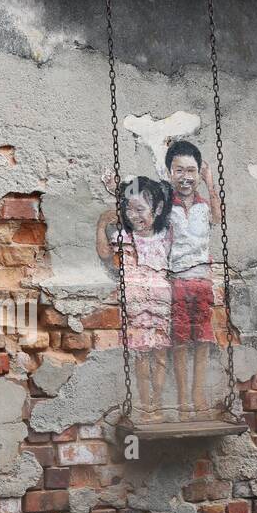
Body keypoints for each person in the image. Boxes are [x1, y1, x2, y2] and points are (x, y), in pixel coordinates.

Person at [96, 177, 173, 421]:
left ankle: (158, 403)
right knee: (141, 355)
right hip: (135, 304)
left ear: (157, 210)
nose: (134, 215)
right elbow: (105, 253)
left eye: (140, 209)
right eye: (129, 209)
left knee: (159, 353)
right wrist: (101, 226)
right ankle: (143, 403)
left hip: (160, 303)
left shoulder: (164, 236)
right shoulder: (124, 237)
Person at [163, 140, 220, 419]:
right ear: (169, 173)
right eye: (179, 170)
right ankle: (184, 397)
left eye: (191, 171)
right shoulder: (165, 207)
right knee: (181, 341)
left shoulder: (204, 206)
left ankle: (198, 395)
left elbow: (219, 217)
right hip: (177, 282)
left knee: (203, 340)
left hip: (202, 282)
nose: (186, 177)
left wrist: (210, 183)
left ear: (199, 173)